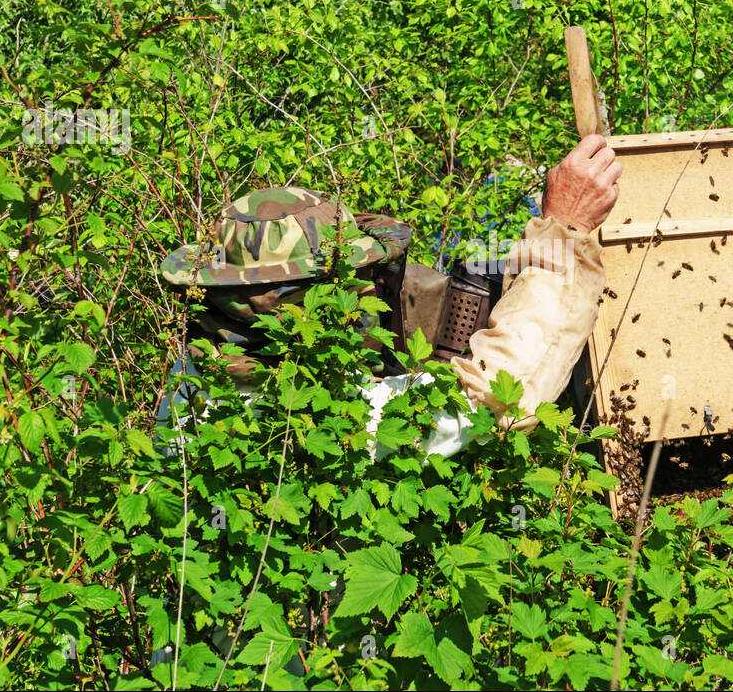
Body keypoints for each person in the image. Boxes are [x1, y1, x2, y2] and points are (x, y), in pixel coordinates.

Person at [157, 135, 623, 457]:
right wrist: (565, 230)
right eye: (357, 280)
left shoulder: (192, 379)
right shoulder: (312, 417)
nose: (370, 292)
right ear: (307, 307)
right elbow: (502, 398)